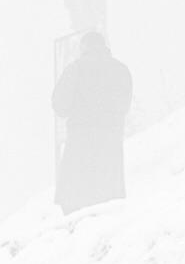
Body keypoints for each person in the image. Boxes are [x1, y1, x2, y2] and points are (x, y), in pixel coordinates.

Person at [54, 27, 134, 209]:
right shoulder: (121, 70)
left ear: (84, 48)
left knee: (77, 199)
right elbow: (124, 106)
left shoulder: (76, 69)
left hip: (80, 142)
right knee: (108, 201)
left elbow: (59, 105)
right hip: (110, 143)